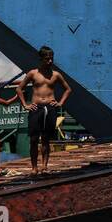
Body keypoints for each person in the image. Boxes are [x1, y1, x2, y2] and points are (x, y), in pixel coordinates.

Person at [17, 46, 72, 174]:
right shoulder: (33, 73)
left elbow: (68, 89)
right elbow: (19, 89)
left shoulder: (56, 74)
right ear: (41, 59)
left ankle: (44, 166)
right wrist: (25, 105)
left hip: (50, 107)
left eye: (51, 58)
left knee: (46, 139)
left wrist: (60, 103)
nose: (50, 61)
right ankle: (34, 168)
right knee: (34, 139)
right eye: (47, 59)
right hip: (36, 107)